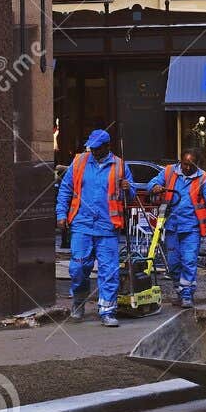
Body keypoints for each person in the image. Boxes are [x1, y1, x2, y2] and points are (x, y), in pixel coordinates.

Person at [55, 128, 130, 327]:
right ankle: (79, 302)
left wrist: (127, 188)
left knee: (109, 271)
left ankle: (107, 310)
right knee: (78, 267)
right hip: (82, 225)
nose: (94, 152)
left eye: (98, 148)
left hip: (108, 227)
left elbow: (129, 198)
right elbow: (65, 189)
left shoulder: (120, 166)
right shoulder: (79, 162)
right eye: (92, 148)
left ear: (107, 146)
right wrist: (61, 214)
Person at [150, 146, 206, 309]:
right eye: (184, 164)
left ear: (197, 164)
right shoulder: (169, 172)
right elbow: (152, 183)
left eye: (191, 165)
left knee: (188, 261)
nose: (187, 168)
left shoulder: (203, 178)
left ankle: (187, 295)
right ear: (180, 161)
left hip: (192, 228)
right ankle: (180, 292)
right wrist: (154, 187)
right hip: (172, 226)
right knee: (173, 263)